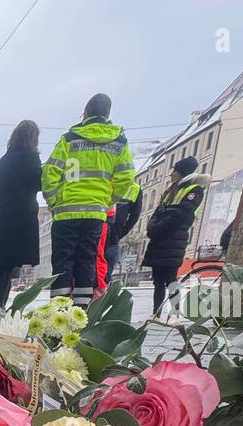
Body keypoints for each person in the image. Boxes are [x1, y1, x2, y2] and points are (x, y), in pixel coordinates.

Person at [42, 94, 137, 308]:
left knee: (62, 263)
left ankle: (58, 311)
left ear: (85, 113)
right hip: (95, 213)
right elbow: (126, 178)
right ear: (107, 114)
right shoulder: (118, 142)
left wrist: (54, 201)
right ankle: (81, 313)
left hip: (65, 213)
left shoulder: (69, 139)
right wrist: (107, 200)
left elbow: (50, 173)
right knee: (87, 261)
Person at [0, 120, 43, 307]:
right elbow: (40, 183)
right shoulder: (31, 160)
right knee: (7, 268)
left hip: (2, 219)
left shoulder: (4, 162)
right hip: (22, 220)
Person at [143, 157, 209, 319]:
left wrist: (158, 226)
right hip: (159, 241)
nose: (171, 175)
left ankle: (175, 313)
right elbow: (158, 211)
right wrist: (152, 226)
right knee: (157, 280)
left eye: (174, 171)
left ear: (181, 173)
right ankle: (156, 313)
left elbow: (182, 215)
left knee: (171, 279)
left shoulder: (194, 190)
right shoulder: (170, 191)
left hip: (174, 241)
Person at [104, 182, 143, 285]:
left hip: (111, 237)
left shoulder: (134, 188)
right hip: (102, 234)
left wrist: (121, 233)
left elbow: (134, 216)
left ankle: (100, 296)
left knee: (103, 273)